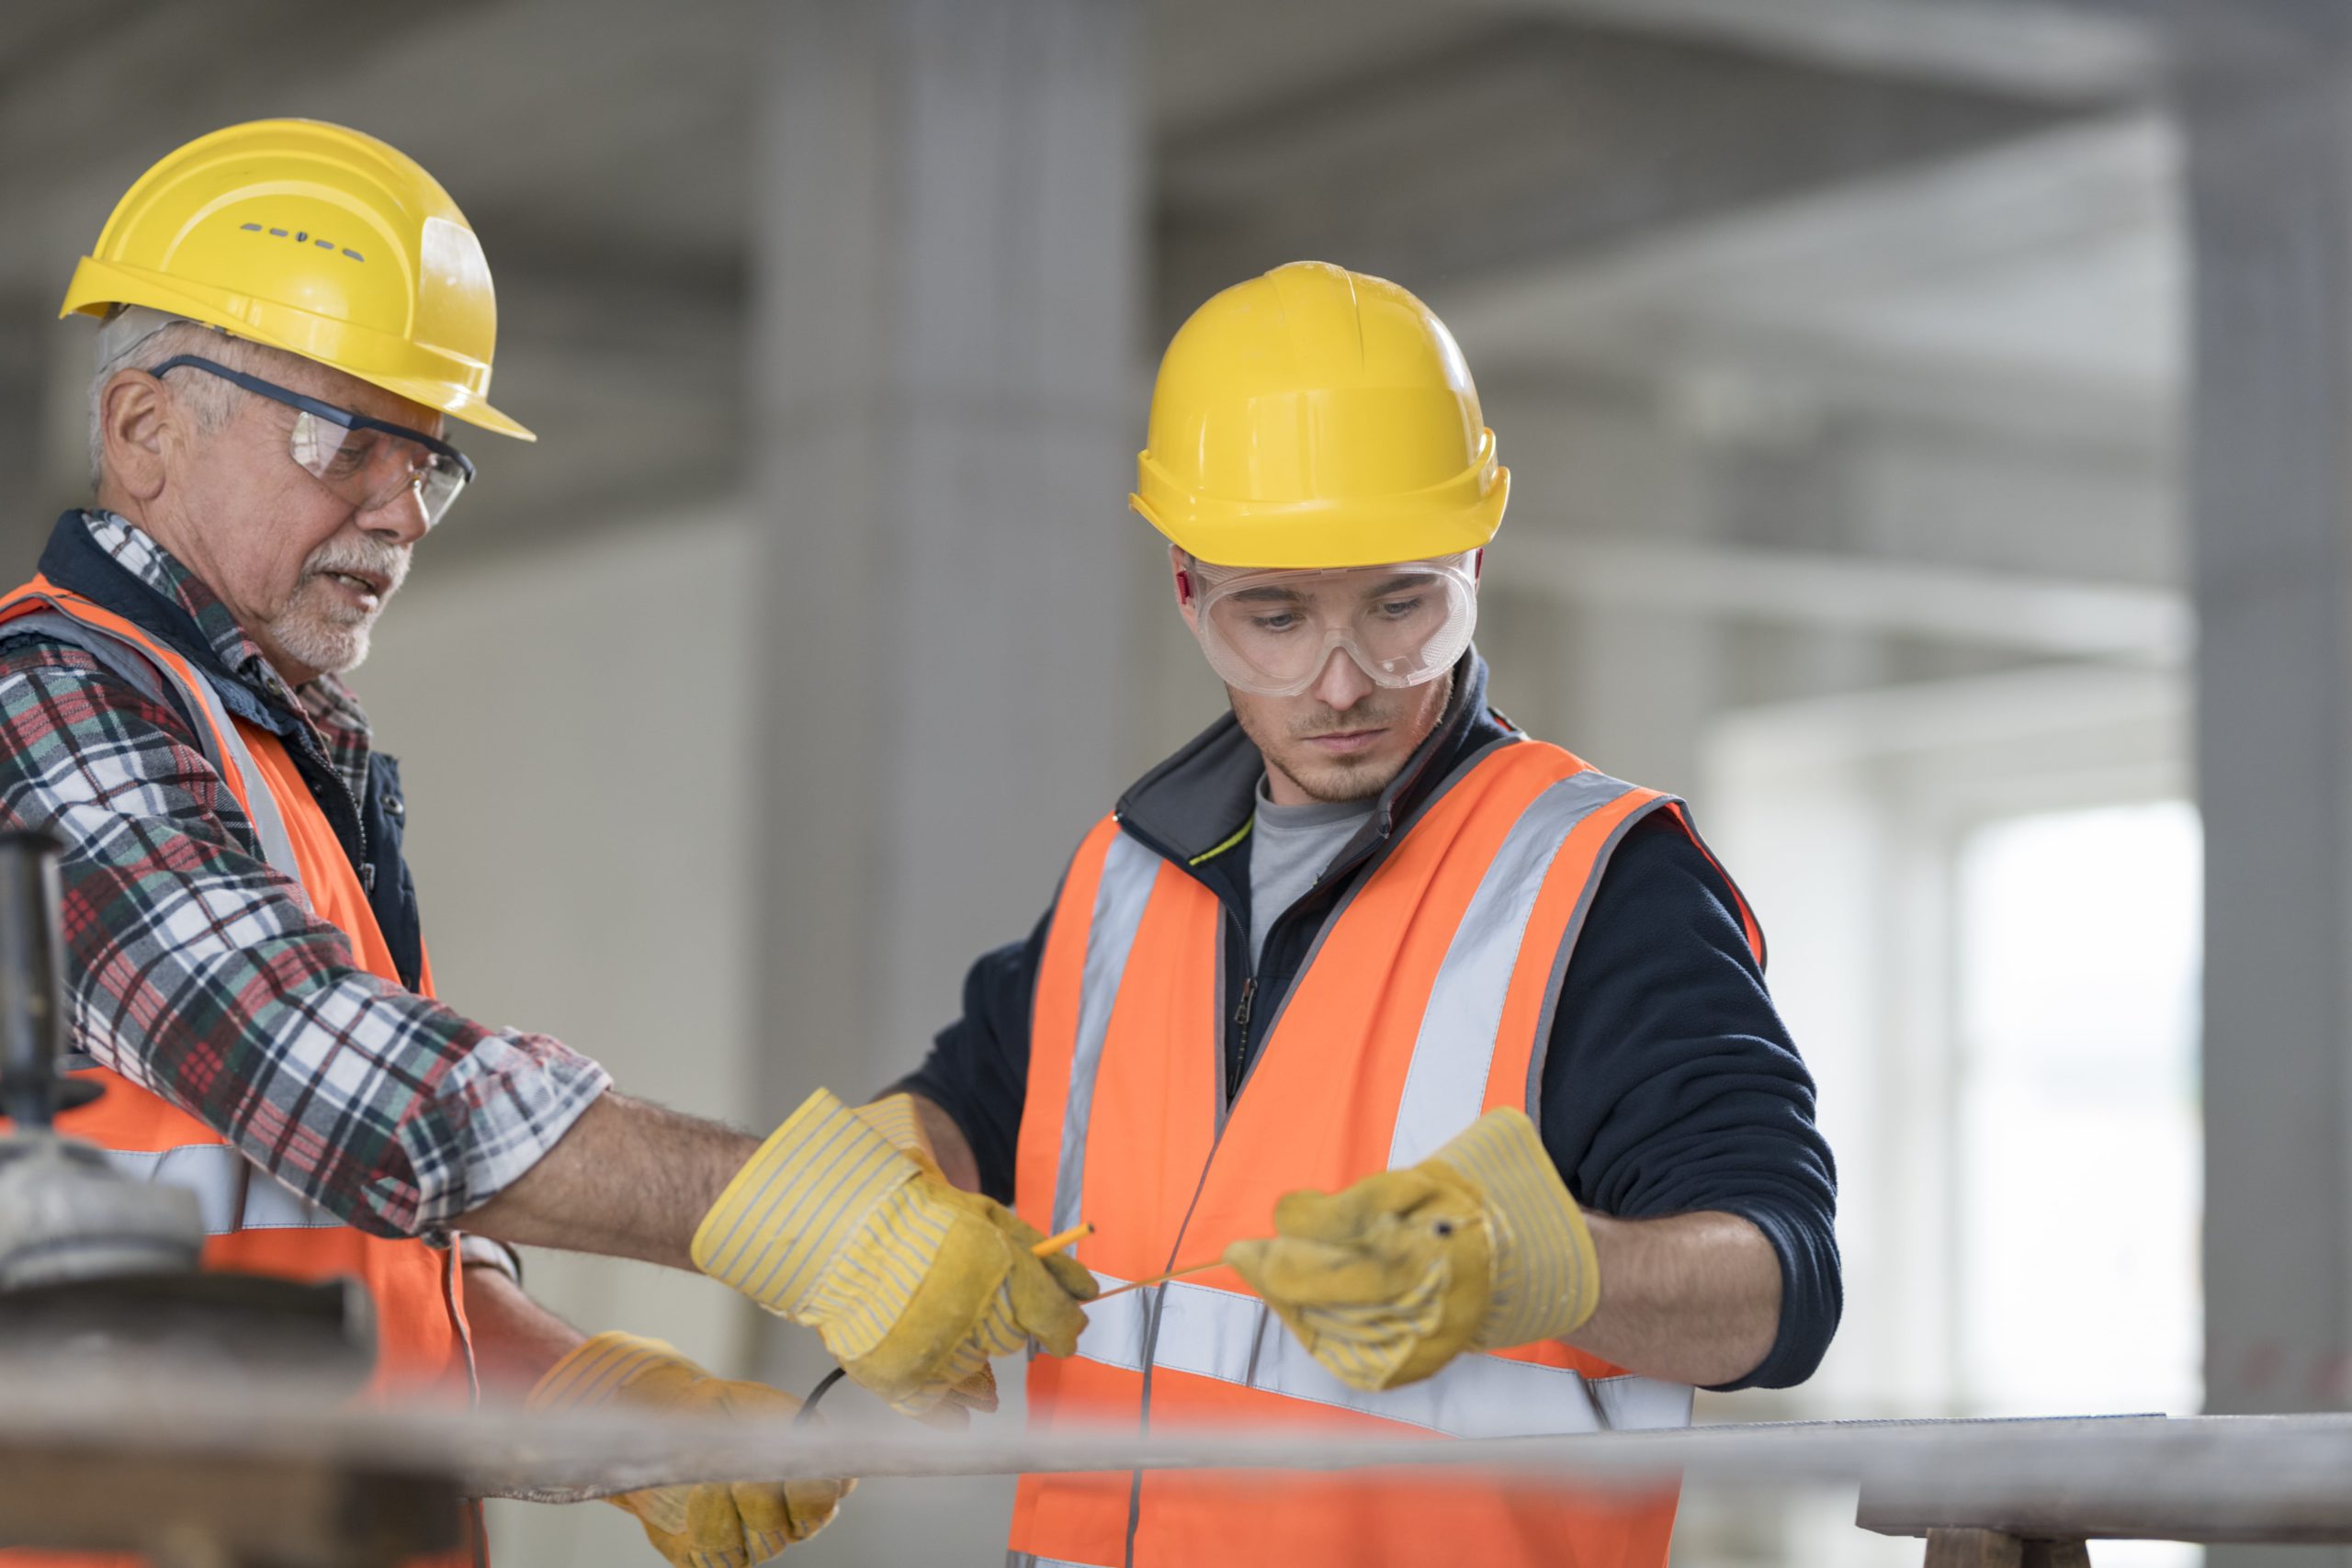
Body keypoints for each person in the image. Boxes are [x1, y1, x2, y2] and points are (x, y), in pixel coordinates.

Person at [1, 118, 1091, 1568]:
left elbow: (334, 1258)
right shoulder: (44, 703)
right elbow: (313, 1068)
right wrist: (803, 1217)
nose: (399, 512)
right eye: (346, 441)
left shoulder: (259, 747)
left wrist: (594, 1401)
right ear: (144, 430)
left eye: (429, 464)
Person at [897, 260, 1842, 1568]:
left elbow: (1779, 1286)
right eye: (1274, 618)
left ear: (1473, 553)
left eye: (1403, 607)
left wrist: (1541, 1269)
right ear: (1188, 593)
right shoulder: (1125, 881)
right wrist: (896, 1201)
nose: (1345, 682)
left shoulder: (1595, 885)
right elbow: (966, 1102)